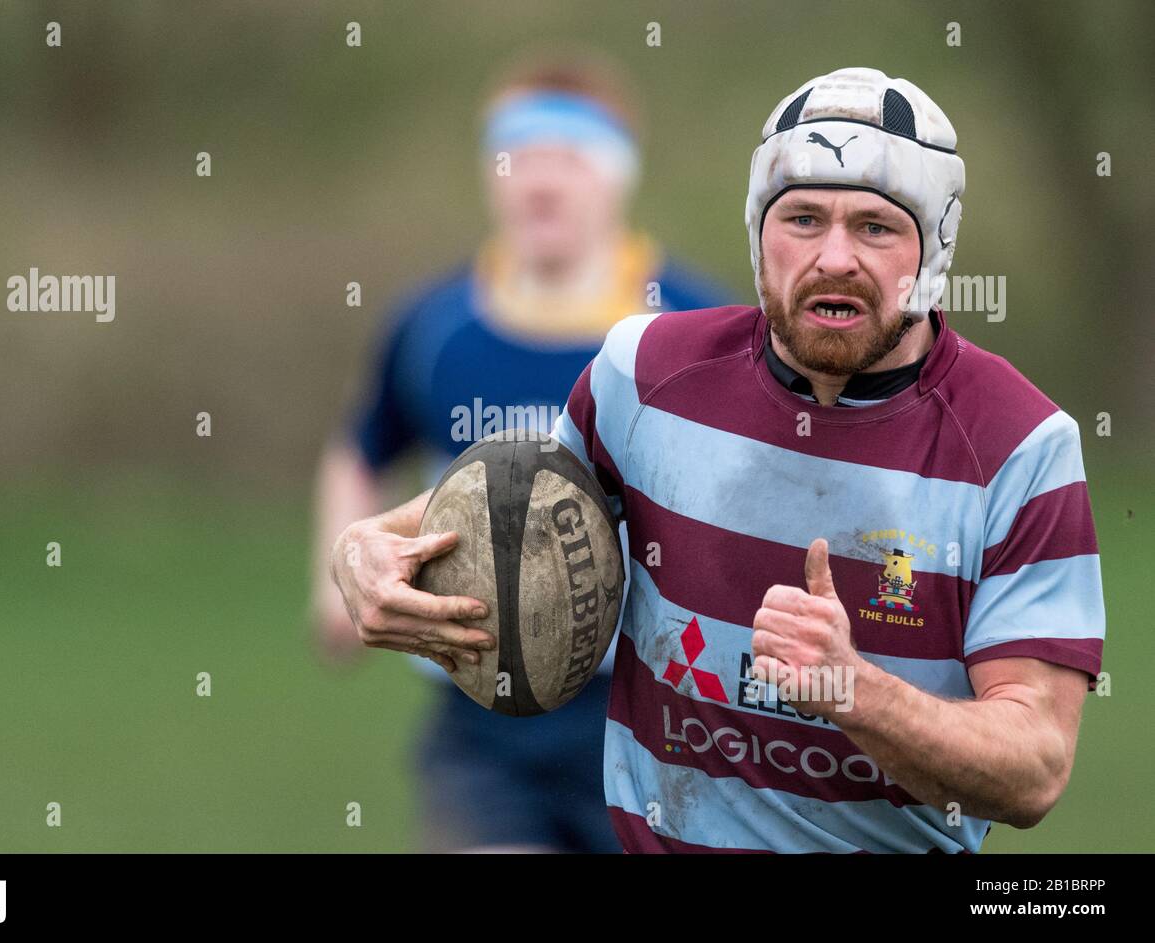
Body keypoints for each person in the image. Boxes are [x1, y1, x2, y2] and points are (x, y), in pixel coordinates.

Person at [328, 67, 1105, 853]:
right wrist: (361, 549)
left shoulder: (1021, 446)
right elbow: (511, 500)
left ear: (933, 250)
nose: (834, 256)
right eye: (801, 218)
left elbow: (1033, 769)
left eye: (875, 226)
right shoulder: (644, 374)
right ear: (759, 234)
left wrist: (854, 688)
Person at [313, 53, 730, 853]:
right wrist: (337, 579)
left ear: (619, 177)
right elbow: (361, 446)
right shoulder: (436, 329)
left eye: (568, 159)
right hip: (483, 729)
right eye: (518, 157)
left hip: (658, 725)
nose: (540, 181)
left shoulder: (692, 329)